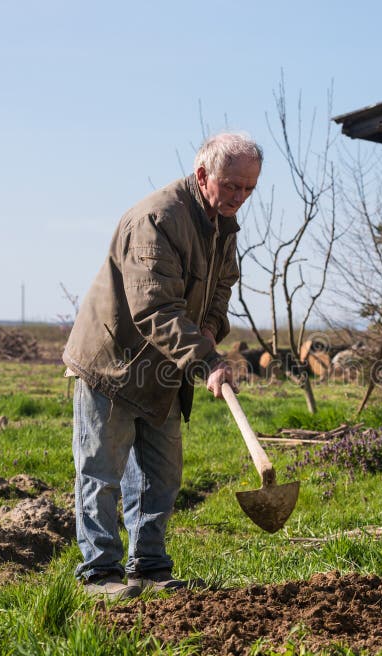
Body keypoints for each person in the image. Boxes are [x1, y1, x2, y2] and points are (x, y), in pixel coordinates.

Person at [63, 132, 263, 598]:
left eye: (249, 189)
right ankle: (100, 574)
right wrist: (207, 359)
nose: (240, 197)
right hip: (114, 363)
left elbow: (220, 288)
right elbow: (153, 309)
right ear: (202, 175)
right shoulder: (157, 220)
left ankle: (150, 567)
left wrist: (211, 328)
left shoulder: (222, 224)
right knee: (101, 473)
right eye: (232, 185)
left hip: (164, 368)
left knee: (162, 475)